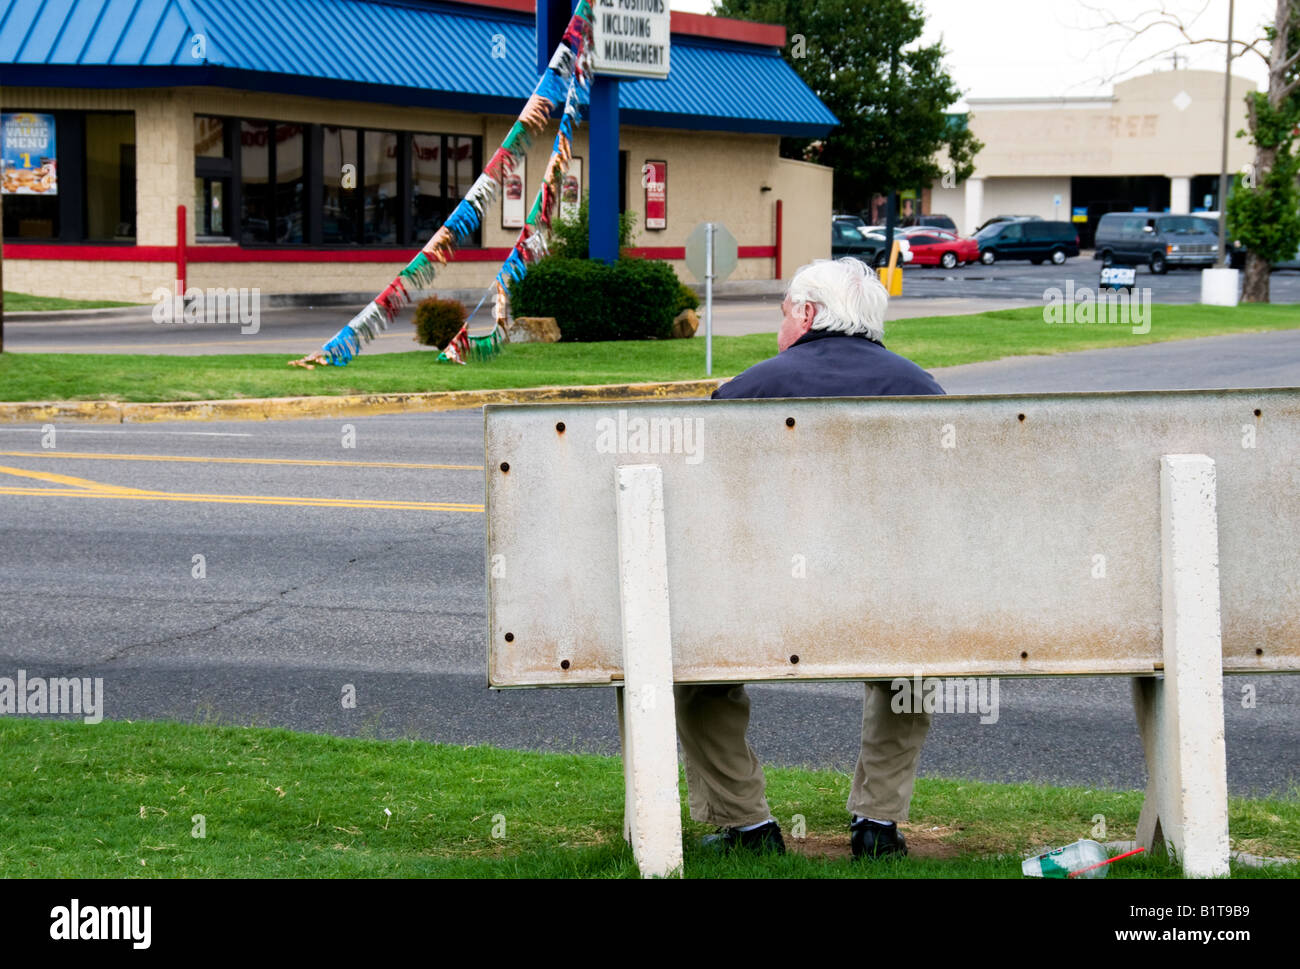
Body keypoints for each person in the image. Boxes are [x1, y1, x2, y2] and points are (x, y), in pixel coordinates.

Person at [674, 256, 946, 860]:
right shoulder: (927, 394)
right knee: (912, 669)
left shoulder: (745, 392)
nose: (780, 325)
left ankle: (745, 824)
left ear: (806, 313)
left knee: (696, 677)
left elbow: (705, 513)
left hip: (761, 606)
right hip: (886, 605)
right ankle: (877, 825)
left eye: (782, 312)